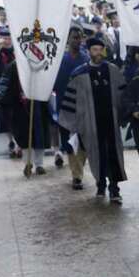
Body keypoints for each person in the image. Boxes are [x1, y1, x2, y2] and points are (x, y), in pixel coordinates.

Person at [58, 36, 127, 203]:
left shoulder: (113, 70)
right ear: (88, 51)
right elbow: (70, 102)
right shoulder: (79, 74)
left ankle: (115, 189)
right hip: (90, 123)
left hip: (111, 121)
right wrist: (75, 125)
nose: (98, 53)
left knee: (114, 155)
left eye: (100, 50)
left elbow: (122, 95)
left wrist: (123, 114)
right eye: (94, 50)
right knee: (97, 155)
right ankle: (101, 185)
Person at [0, 51, 53, 176]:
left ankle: (39, 164)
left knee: (39, 134)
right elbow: (5, 85)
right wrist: (0, 99)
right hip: (19, 105)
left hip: (38, 103)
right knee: (23, 134)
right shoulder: (13, 67)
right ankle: (28, 162)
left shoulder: (40, 64)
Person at [53, 26, 87, 181]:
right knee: (68, 140)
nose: (77, 40)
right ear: (67, 39)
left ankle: (78, 169)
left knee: (83, 141)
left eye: (79, 37)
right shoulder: (59, 60)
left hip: (83, 106)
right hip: (65, 106)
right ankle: (76, 174)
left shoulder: (86, 59)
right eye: (74, 37)